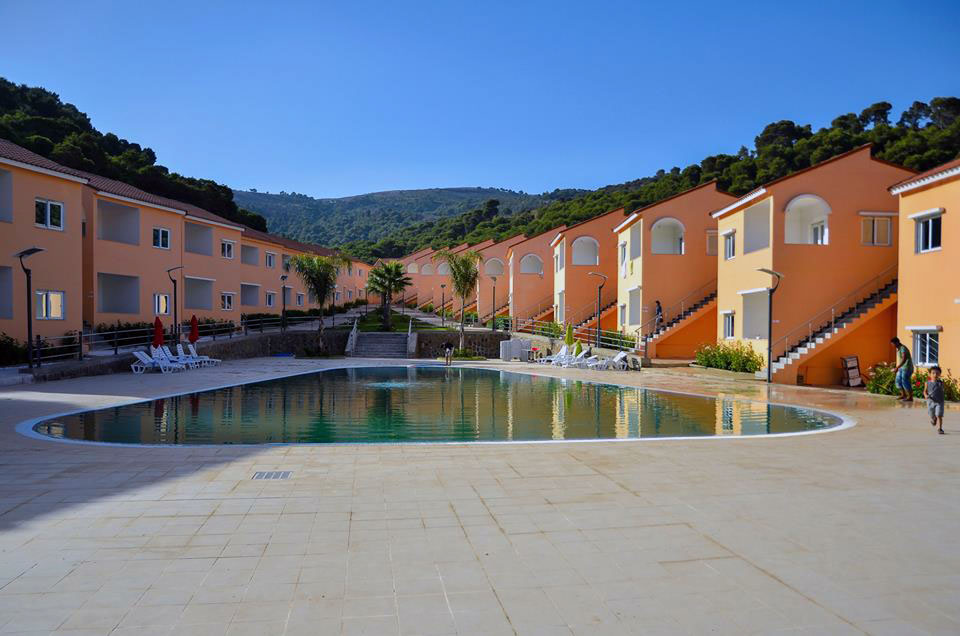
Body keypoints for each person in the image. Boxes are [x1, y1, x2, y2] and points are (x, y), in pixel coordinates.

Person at [924, 365, 945, 434]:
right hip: (930, 402)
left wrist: (942, 387)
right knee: (931, 414)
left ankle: (940, 428)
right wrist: (926, 395)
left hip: (939, 402)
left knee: (939, 415)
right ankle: (933, 418)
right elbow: (924, 391)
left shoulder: (940, 383)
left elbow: (943, 390)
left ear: (939, 374)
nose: (935, 375)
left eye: (937, 373)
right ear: (930, 374)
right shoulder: (927, 383)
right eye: (933, 373)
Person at [891, 337, 914, 402]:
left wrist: (897, 367)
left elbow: (904, 359)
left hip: (907, 368)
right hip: (902, 368)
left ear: (897, 342)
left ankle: (910, 397)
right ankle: (903, 395)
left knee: (905, 382)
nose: (893, 346)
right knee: (898, 381)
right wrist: (898, 367)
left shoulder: (903, 348)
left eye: (893, 344)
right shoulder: (898, 349)